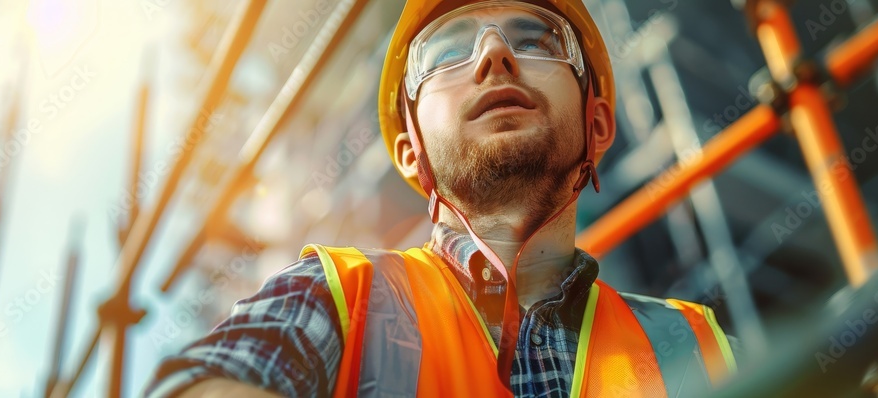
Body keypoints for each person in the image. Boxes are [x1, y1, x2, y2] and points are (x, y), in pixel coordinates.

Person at [145, 0, 738, 396]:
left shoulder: (698, 343)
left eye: (536, 38)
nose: (493, 55)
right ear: (411, 151)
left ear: (599, 124)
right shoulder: (335, 300)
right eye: (446, 53)